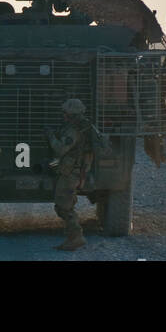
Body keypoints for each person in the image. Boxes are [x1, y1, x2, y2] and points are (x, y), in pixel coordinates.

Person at [45, 98, 105, 251]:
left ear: (71, 114)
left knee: (63, 207)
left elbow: (60, 149)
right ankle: (73, 237)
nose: (63, 115)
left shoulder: (73, 130)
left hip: (71, 173)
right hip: (77, 171)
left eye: (65, 113)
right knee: (65, 204)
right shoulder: (86, 126)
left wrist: (51, 135)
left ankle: (76, 237)